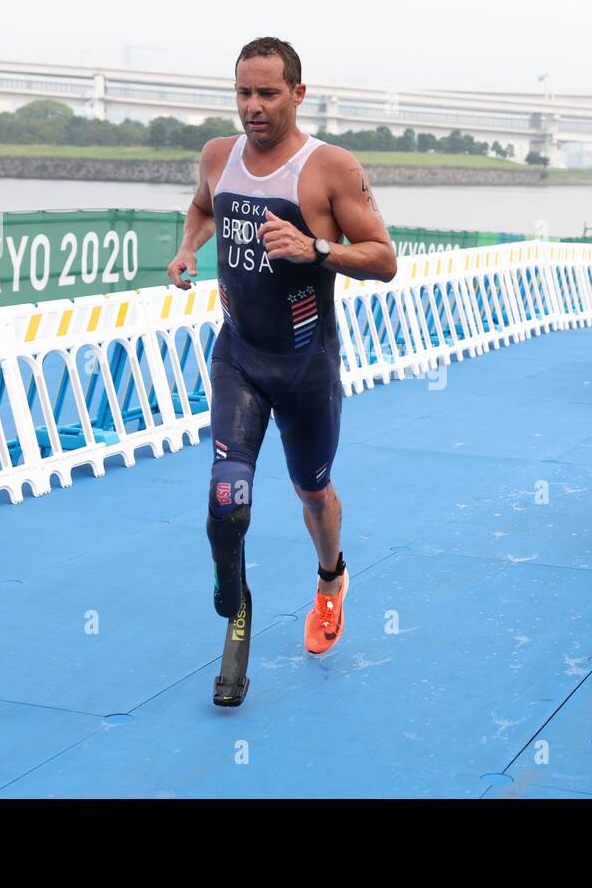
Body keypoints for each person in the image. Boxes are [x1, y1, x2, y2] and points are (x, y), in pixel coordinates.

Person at [166, 37, 396, 698]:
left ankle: (331, 577)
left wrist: (315, 247)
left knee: (312, 491)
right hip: (239, 357)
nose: (254, 107)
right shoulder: (218, 155)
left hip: (306, 369)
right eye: (244, 93)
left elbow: (384, 258)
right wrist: (187, 249)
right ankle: (236, 607)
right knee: (226, 497)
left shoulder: (330, 169)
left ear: (298, 93)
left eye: (268, 93)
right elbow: (205, 206)